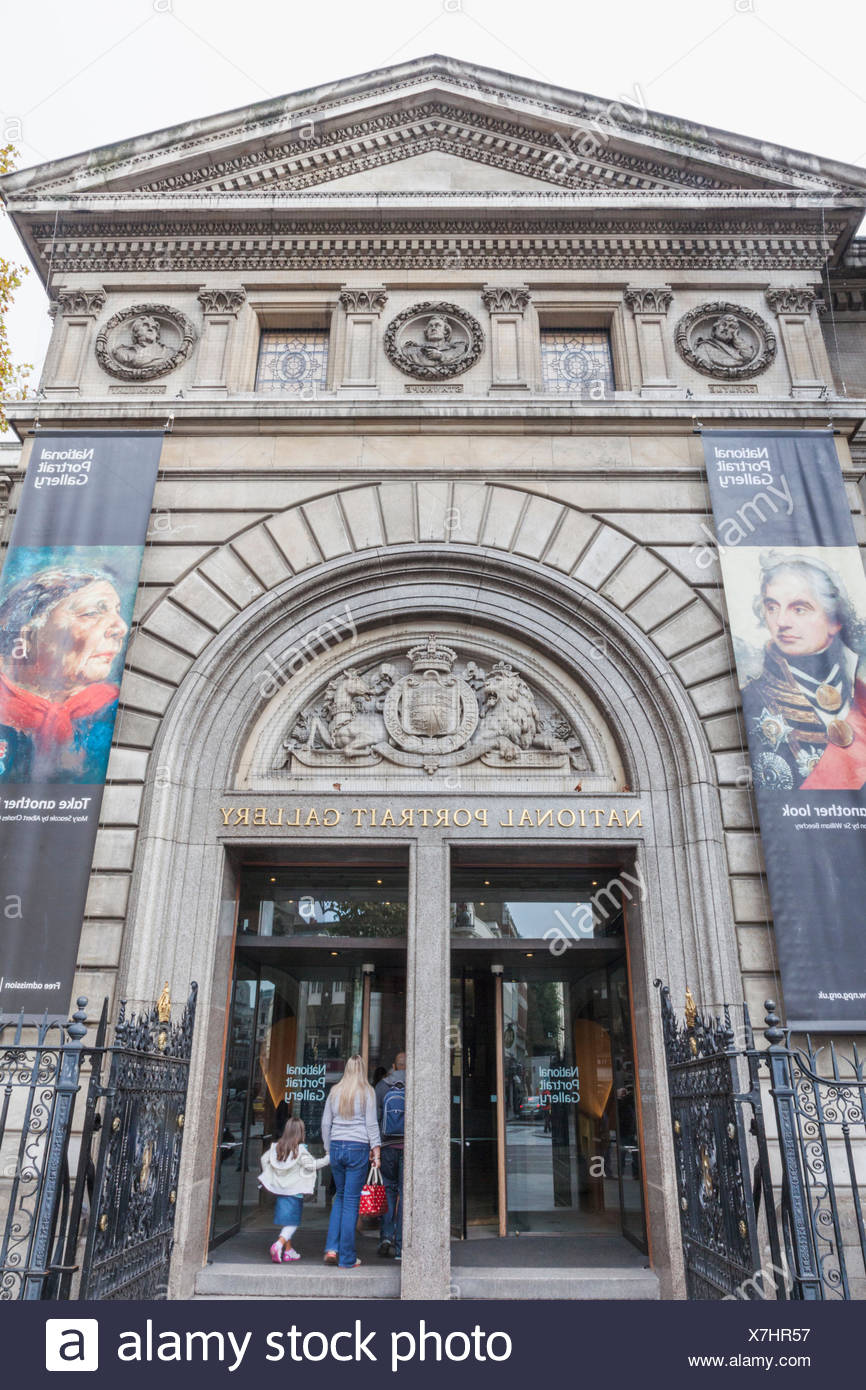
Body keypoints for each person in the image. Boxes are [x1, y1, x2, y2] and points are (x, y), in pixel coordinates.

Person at [741, 552, 866, 790]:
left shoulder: (859, 690)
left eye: (799, 609)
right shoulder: (753, 699)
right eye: (772, 607)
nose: (781, 622)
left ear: (834, 620)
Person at [0, 565, 128, 782]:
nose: (121, 627)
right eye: (92, 613)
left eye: (116, 610)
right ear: (29, 632)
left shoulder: (112, 707)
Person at [321, 1055, 380, 1269]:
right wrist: (376, 1151)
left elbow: (326, 1123)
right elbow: (371, 1124)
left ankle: (331, 1248)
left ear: (346, 1069)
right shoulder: (367, 1092)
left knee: (340, 1198)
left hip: (337, 1146)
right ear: (362, 1070)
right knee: (351, 1202)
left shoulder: (335, 1091)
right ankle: (346, 1258)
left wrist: (328, 1148)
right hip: (358, 1148)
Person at [259, 1117, 329, 1264]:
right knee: (293, 1223)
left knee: (287, 1221)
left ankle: (289, 1251)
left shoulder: (277, 1147)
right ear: (301, 1132)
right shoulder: (300, 1151)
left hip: (281, 1191)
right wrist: (329, 1158)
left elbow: (264, 1159)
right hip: (294, 1193)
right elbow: (312, 1165)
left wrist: (271, 1174)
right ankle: (278, 1244)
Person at [375, 1050, 406, 1260]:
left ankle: (386, 1237)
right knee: (405, 1195)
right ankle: (402, 1246)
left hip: (386, 1146)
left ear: (394, 1067)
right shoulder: (418, 1084)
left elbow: (375, 1118)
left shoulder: (381, 1086)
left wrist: (375, 1146)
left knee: (388, 1190)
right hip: (408, 1148)